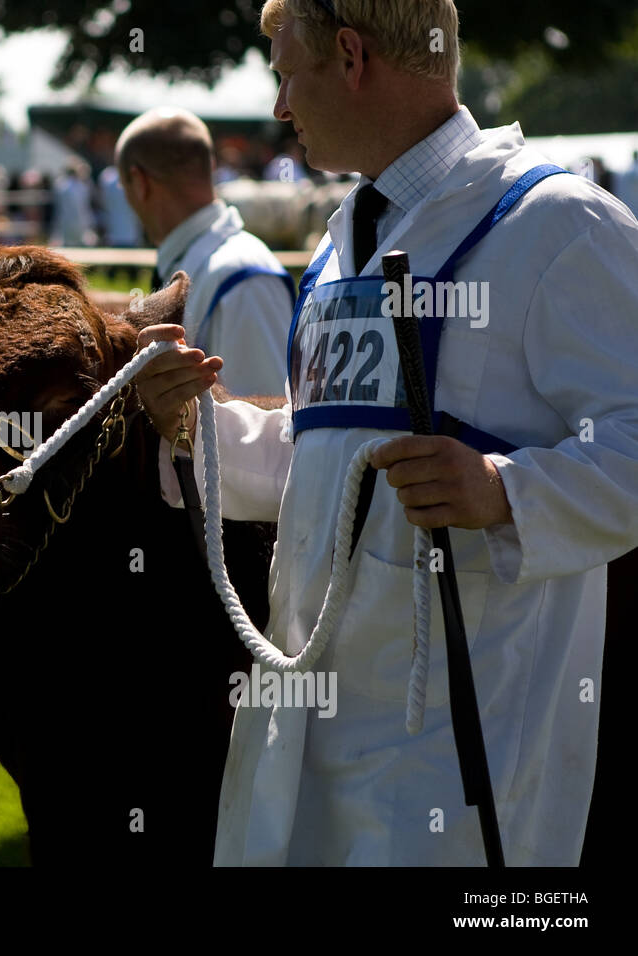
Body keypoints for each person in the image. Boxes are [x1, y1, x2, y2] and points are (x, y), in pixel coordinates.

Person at [134, 0, 638, 866]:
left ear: (353, 57)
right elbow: (324, 462)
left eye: (288, 73)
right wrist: (189, 422)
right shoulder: (342, 246)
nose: (281, 107)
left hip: (458, 738)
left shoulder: (559, 225)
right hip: (307, 718)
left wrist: (505, 490)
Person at [117, 107, 295, 397]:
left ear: (139, 182)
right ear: (210, 165)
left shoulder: (241, 274)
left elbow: (272, 420)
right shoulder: (209, 265)